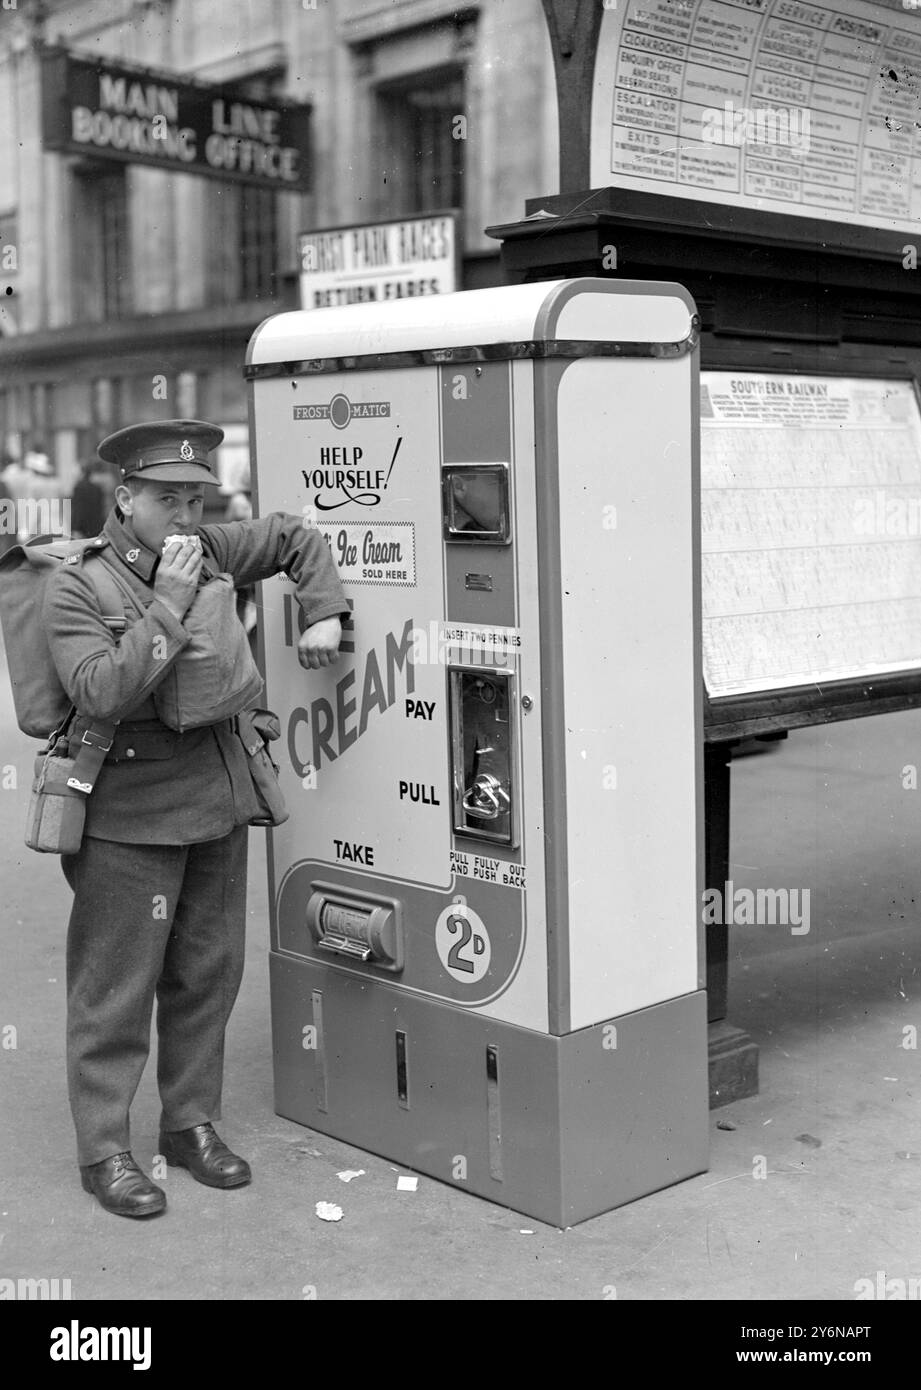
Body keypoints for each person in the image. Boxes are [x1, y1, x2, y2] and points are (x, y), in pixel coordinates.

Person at [42, 419, 348, 1219]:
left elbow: (291, 536)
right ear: (125, 498)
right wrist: (170, 606)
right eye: (166, 499)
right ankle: (105, 1148)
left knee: (207, 975)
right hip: (126, 816)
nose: (184, 516)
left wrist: (324, 611)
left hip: (215, 801)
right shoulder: (78, 584)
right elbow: (99, 691)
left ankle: (190, 1123)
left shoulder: (208, 548)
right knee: (115, 988)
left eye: (195, 498)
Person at [68, 461, 107, 539]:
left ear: (81, 473)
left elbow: (78, 510)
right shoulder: (97, 488)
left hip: (82, 528)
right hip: (96, 526)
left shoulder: (78, 487)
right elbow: (100, 508)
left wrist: (75, 527)